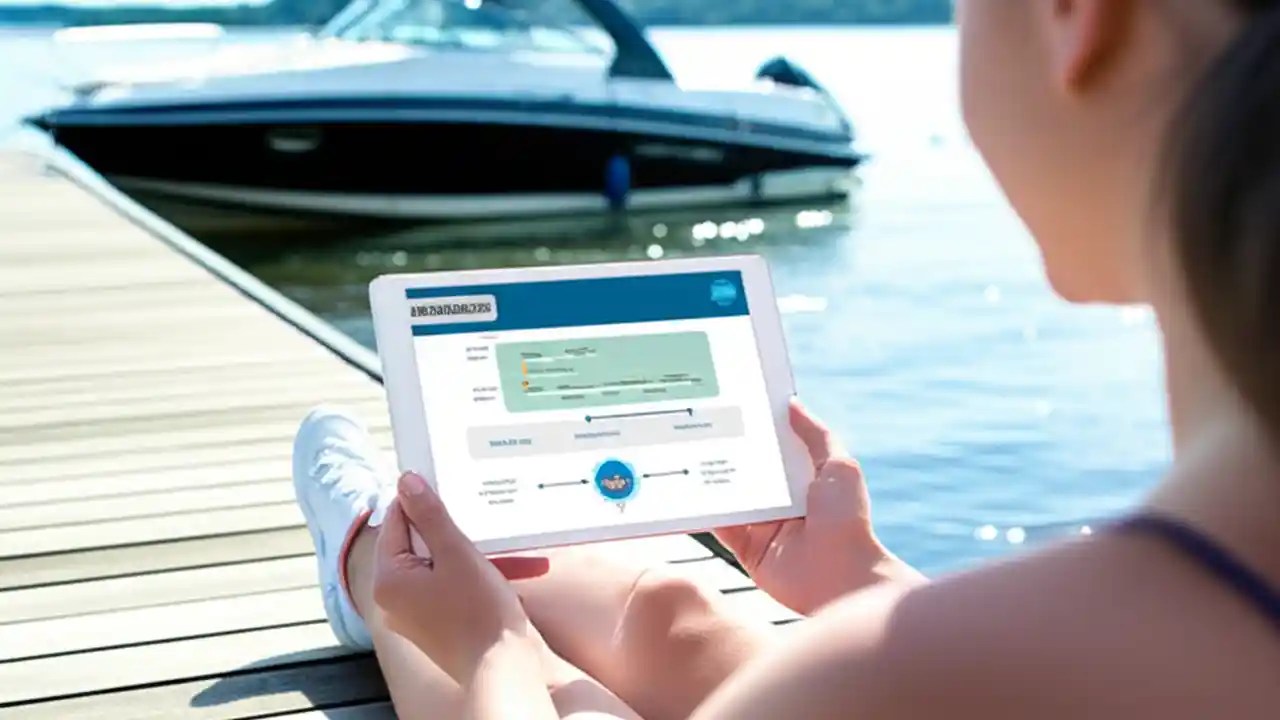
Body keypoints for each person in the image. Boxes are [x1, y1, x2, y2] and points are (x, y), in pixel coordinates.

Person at [291, 0, 1280, 717]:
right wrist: (867, 580)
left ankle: (373, 553)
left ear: (1076, 16)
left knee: (557, 694)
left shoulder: (865, 683)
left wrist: (488, 654)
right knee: (677, 613)